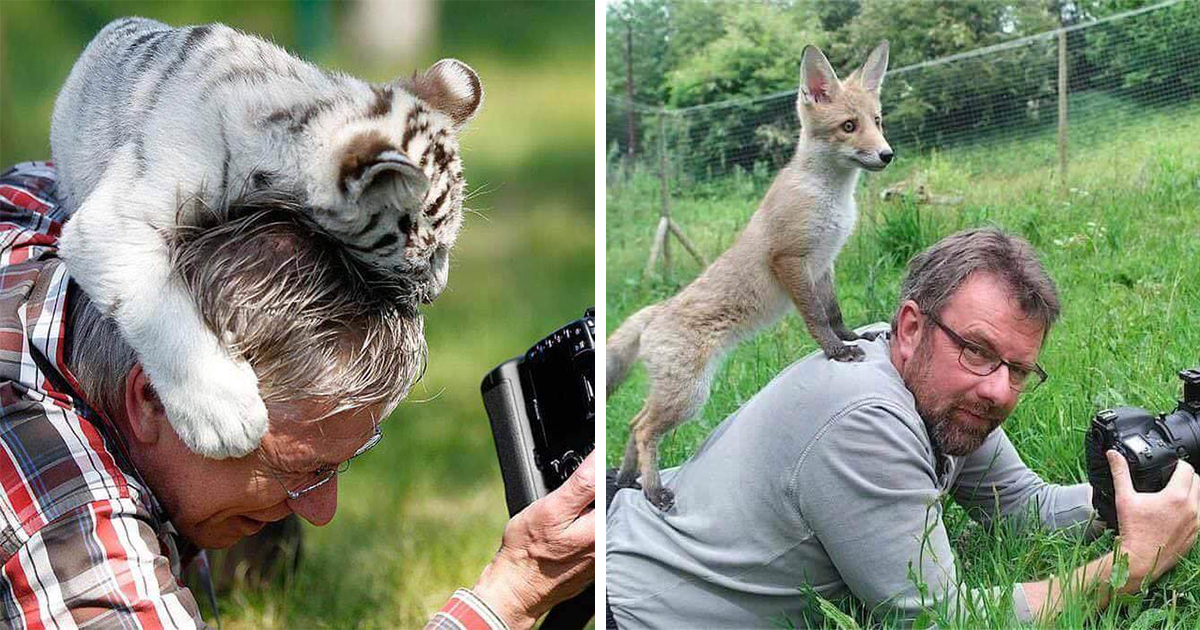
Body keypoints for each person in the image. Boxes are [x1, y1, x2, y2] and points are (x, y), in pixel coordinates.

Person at [0, 161, 594, 630]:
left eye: (337, 466)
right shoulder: (67, 519)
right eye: (300, 468)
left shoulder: (87, 202)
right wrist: (509, 597)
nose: (324, 511)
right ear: (155, 398)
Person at [606, 227, 1200, 628]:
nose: (997, 388)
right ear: (913, 327)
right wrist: (1130, 565)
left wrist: (1129, 494)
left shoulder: (942, 389)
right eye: (977, 351)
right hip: (629, 605)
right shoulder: (867, 419)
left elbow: (1025, 507)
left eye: (1018, 370)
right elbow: (947, 619)